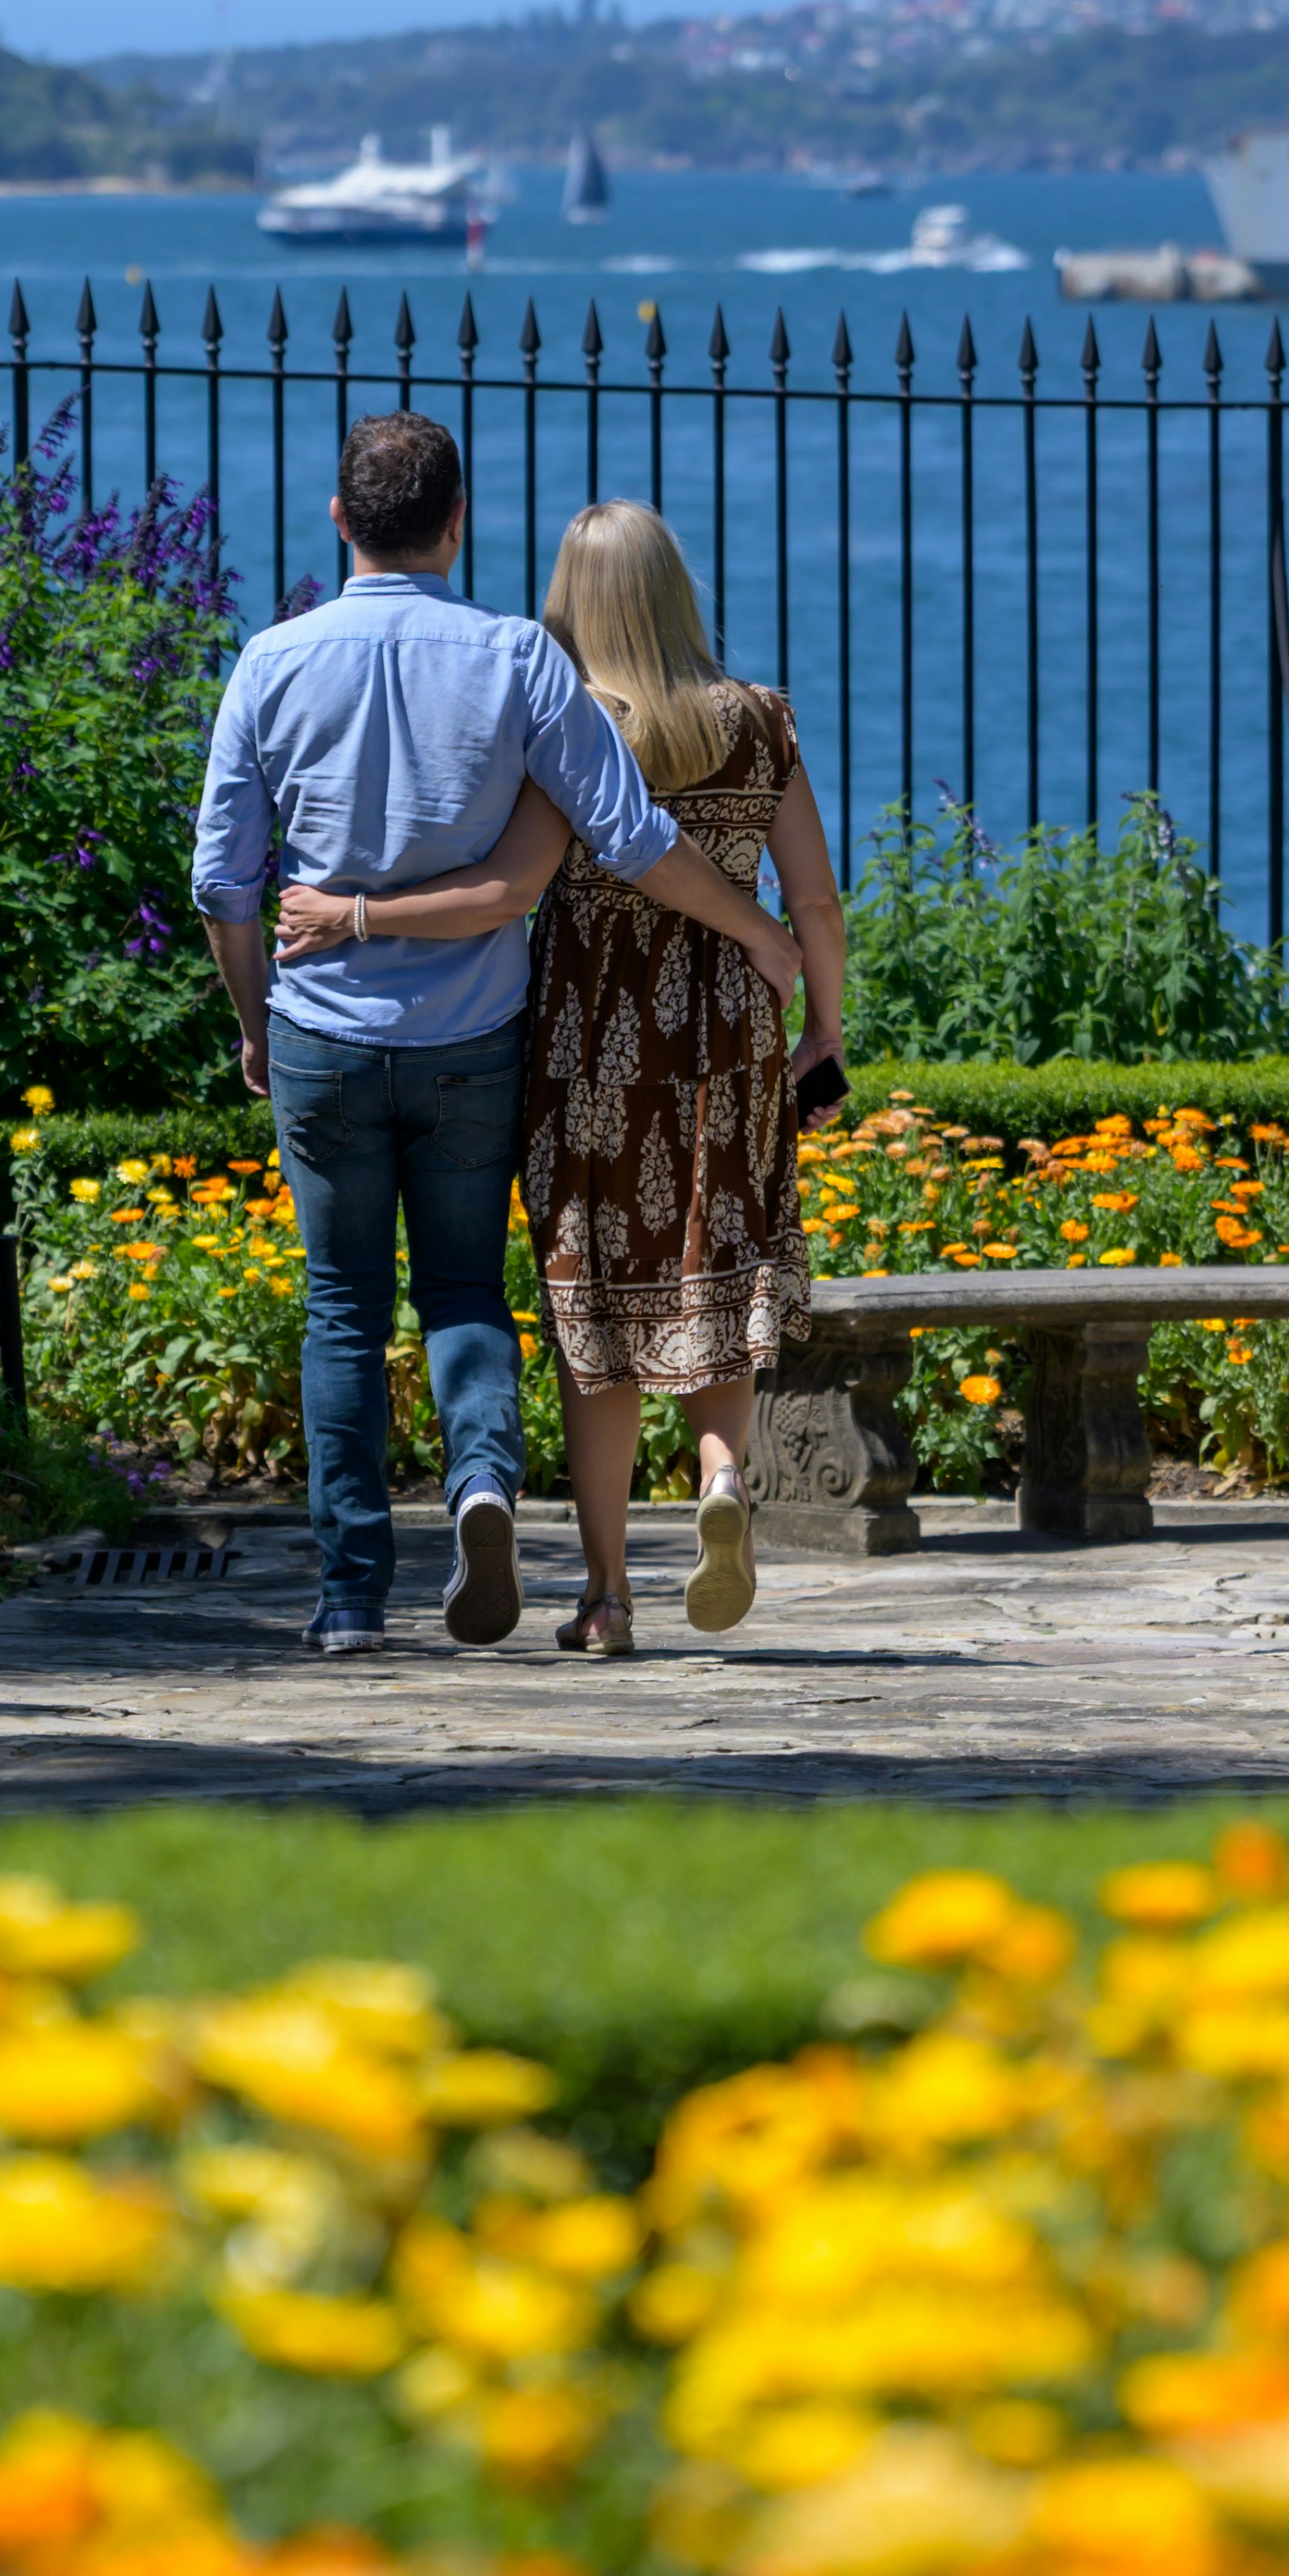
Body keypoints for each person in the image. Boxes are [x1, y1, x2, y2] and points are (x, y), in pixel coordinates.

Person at [193, 415, 799, 1661]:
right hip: (474, 1032)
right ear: (455, 522)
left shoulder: (269, 660)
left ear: (338, 519)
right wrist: (758, 930)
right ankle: (479, 1483)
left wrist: (258, 1022)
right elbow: (629, 835)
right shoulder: (516, 658)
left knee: (343, 1310)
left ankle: (353, 1597)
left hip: (321, 1026)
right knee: (465, 1286)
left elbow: (223, 882)